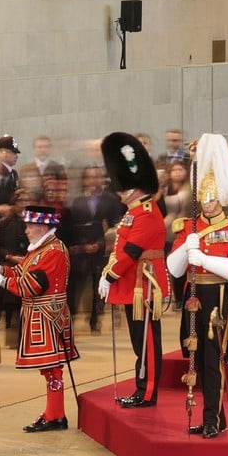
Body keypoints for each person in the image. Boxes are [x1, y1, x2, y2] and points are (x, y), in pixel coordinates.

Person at [165, 134, 228, 439]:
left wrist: (201, 255)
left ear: (222, 197)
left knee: (214, 361)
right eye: (204, 196)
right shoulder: (187, 226)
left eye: (213, 197)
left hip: (217, 297)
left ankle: (211, 419)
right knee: (198, 361)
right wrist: (182, 249)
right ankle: (215, 416)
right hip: (192, 295)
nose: (208, 202)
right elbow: (173, 268)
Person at [0, 204, 80, 432]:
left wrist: (2, 282)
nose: (26, 230)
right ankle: (54, 413)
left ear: (42, 226)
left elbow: (32, 285)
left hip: (48, 314)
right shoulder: (40, 248)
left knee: (53, 368)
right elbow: (23, 272)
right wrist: (2, 270)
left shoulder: (53, 251)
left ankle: (56, 415)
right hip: (38, 313)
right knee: (49, 369)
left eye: (30, 226)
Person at [98, 132, 170, 408]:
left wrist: (109, 275)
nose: (118, 191)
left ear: (134, 188)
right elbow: (119, 249)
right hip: (134, 285)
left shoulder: (148, 212)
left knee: (147, 342)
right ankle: (142, 388)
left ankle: (148, 392)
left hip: (145, 286)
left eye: (122, 187)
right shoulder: (133, 212)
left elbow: (131, 252)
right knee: (138, 339)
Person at [66, 165, 124, 334]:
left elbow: (116, 225)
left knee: (99, 286)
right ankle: (72, 318)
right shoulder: (77, 201)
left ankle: (95, 320)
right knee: (76, 287)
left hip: (101, 249)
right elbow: (73, 227)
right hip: (80, 250)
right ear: (84, 180)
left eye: (97, 176)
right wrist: (81, 246)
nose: (93, 180)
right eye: (90, 177)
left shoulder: (111, 200)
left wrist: (100, 243)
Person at [0, 134, 21, 207]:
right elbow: (2, 200)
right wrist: (16, 194)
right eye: (13, 153)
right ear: (3, 153)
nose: (16, 156)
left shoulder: (13, 173)